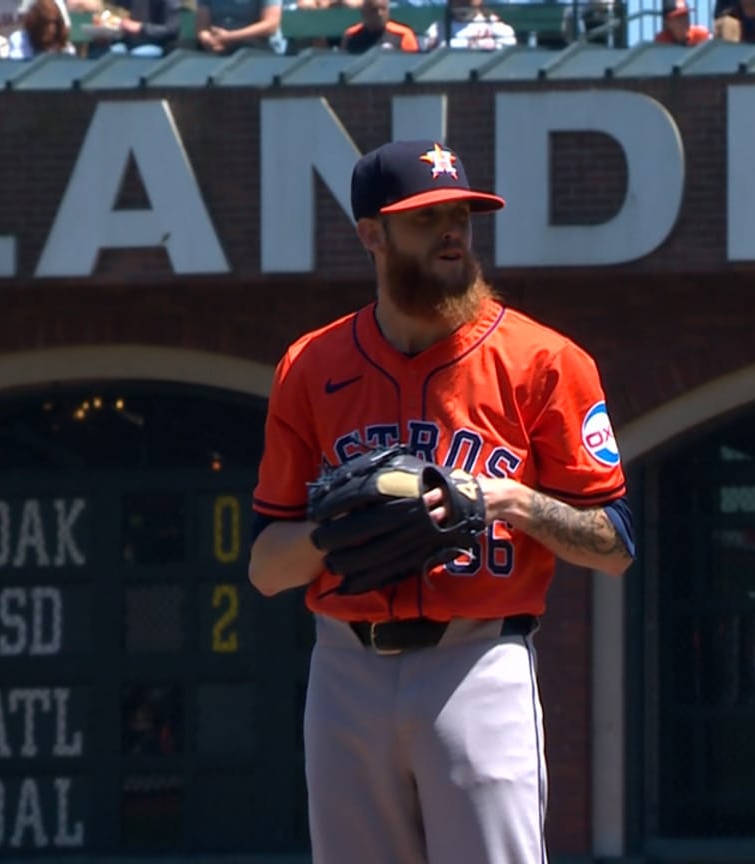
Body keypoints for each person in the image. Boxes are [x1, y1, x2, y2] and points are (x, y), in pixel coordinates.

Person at [248, 140, 636, 864]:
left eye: (460, 214)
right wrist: (342, 533)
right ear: (373, 234)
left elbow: (613, 545)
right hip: (345, 671)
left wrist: (511, 499)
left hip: (477, 661)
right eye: (427, 220)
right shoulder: (310, 366)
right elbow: (267, 569)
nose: (452, 232)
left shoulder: (544, 361)